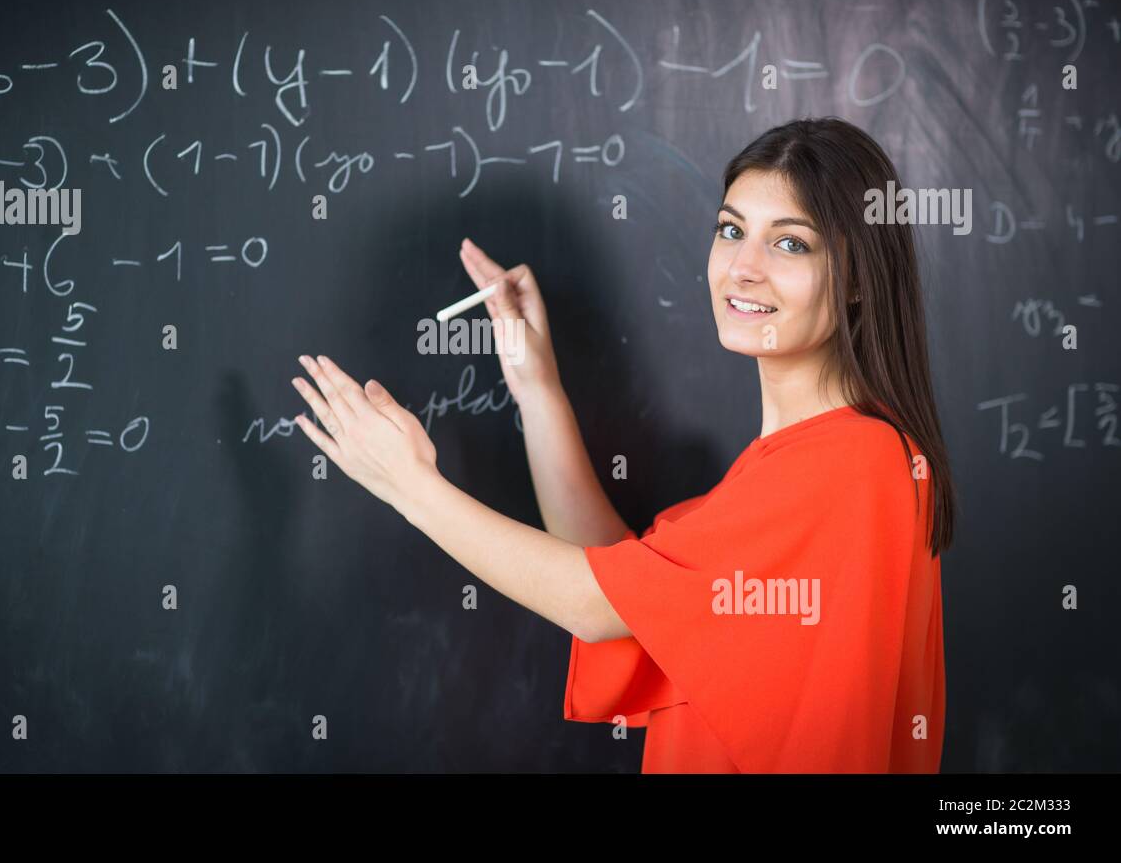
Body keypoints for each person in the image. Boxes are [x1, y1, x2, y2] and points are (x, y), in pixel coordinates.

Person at [289, 116, 952, 773]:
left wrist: (411, 486)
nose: (743, 269)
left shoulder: (851, 463)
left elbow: (594, 603)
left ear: (859, 276)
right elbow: (622, 582)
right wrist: (538, 387)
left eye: (791, 245)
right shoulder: (798, 461)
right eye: (731, 231)